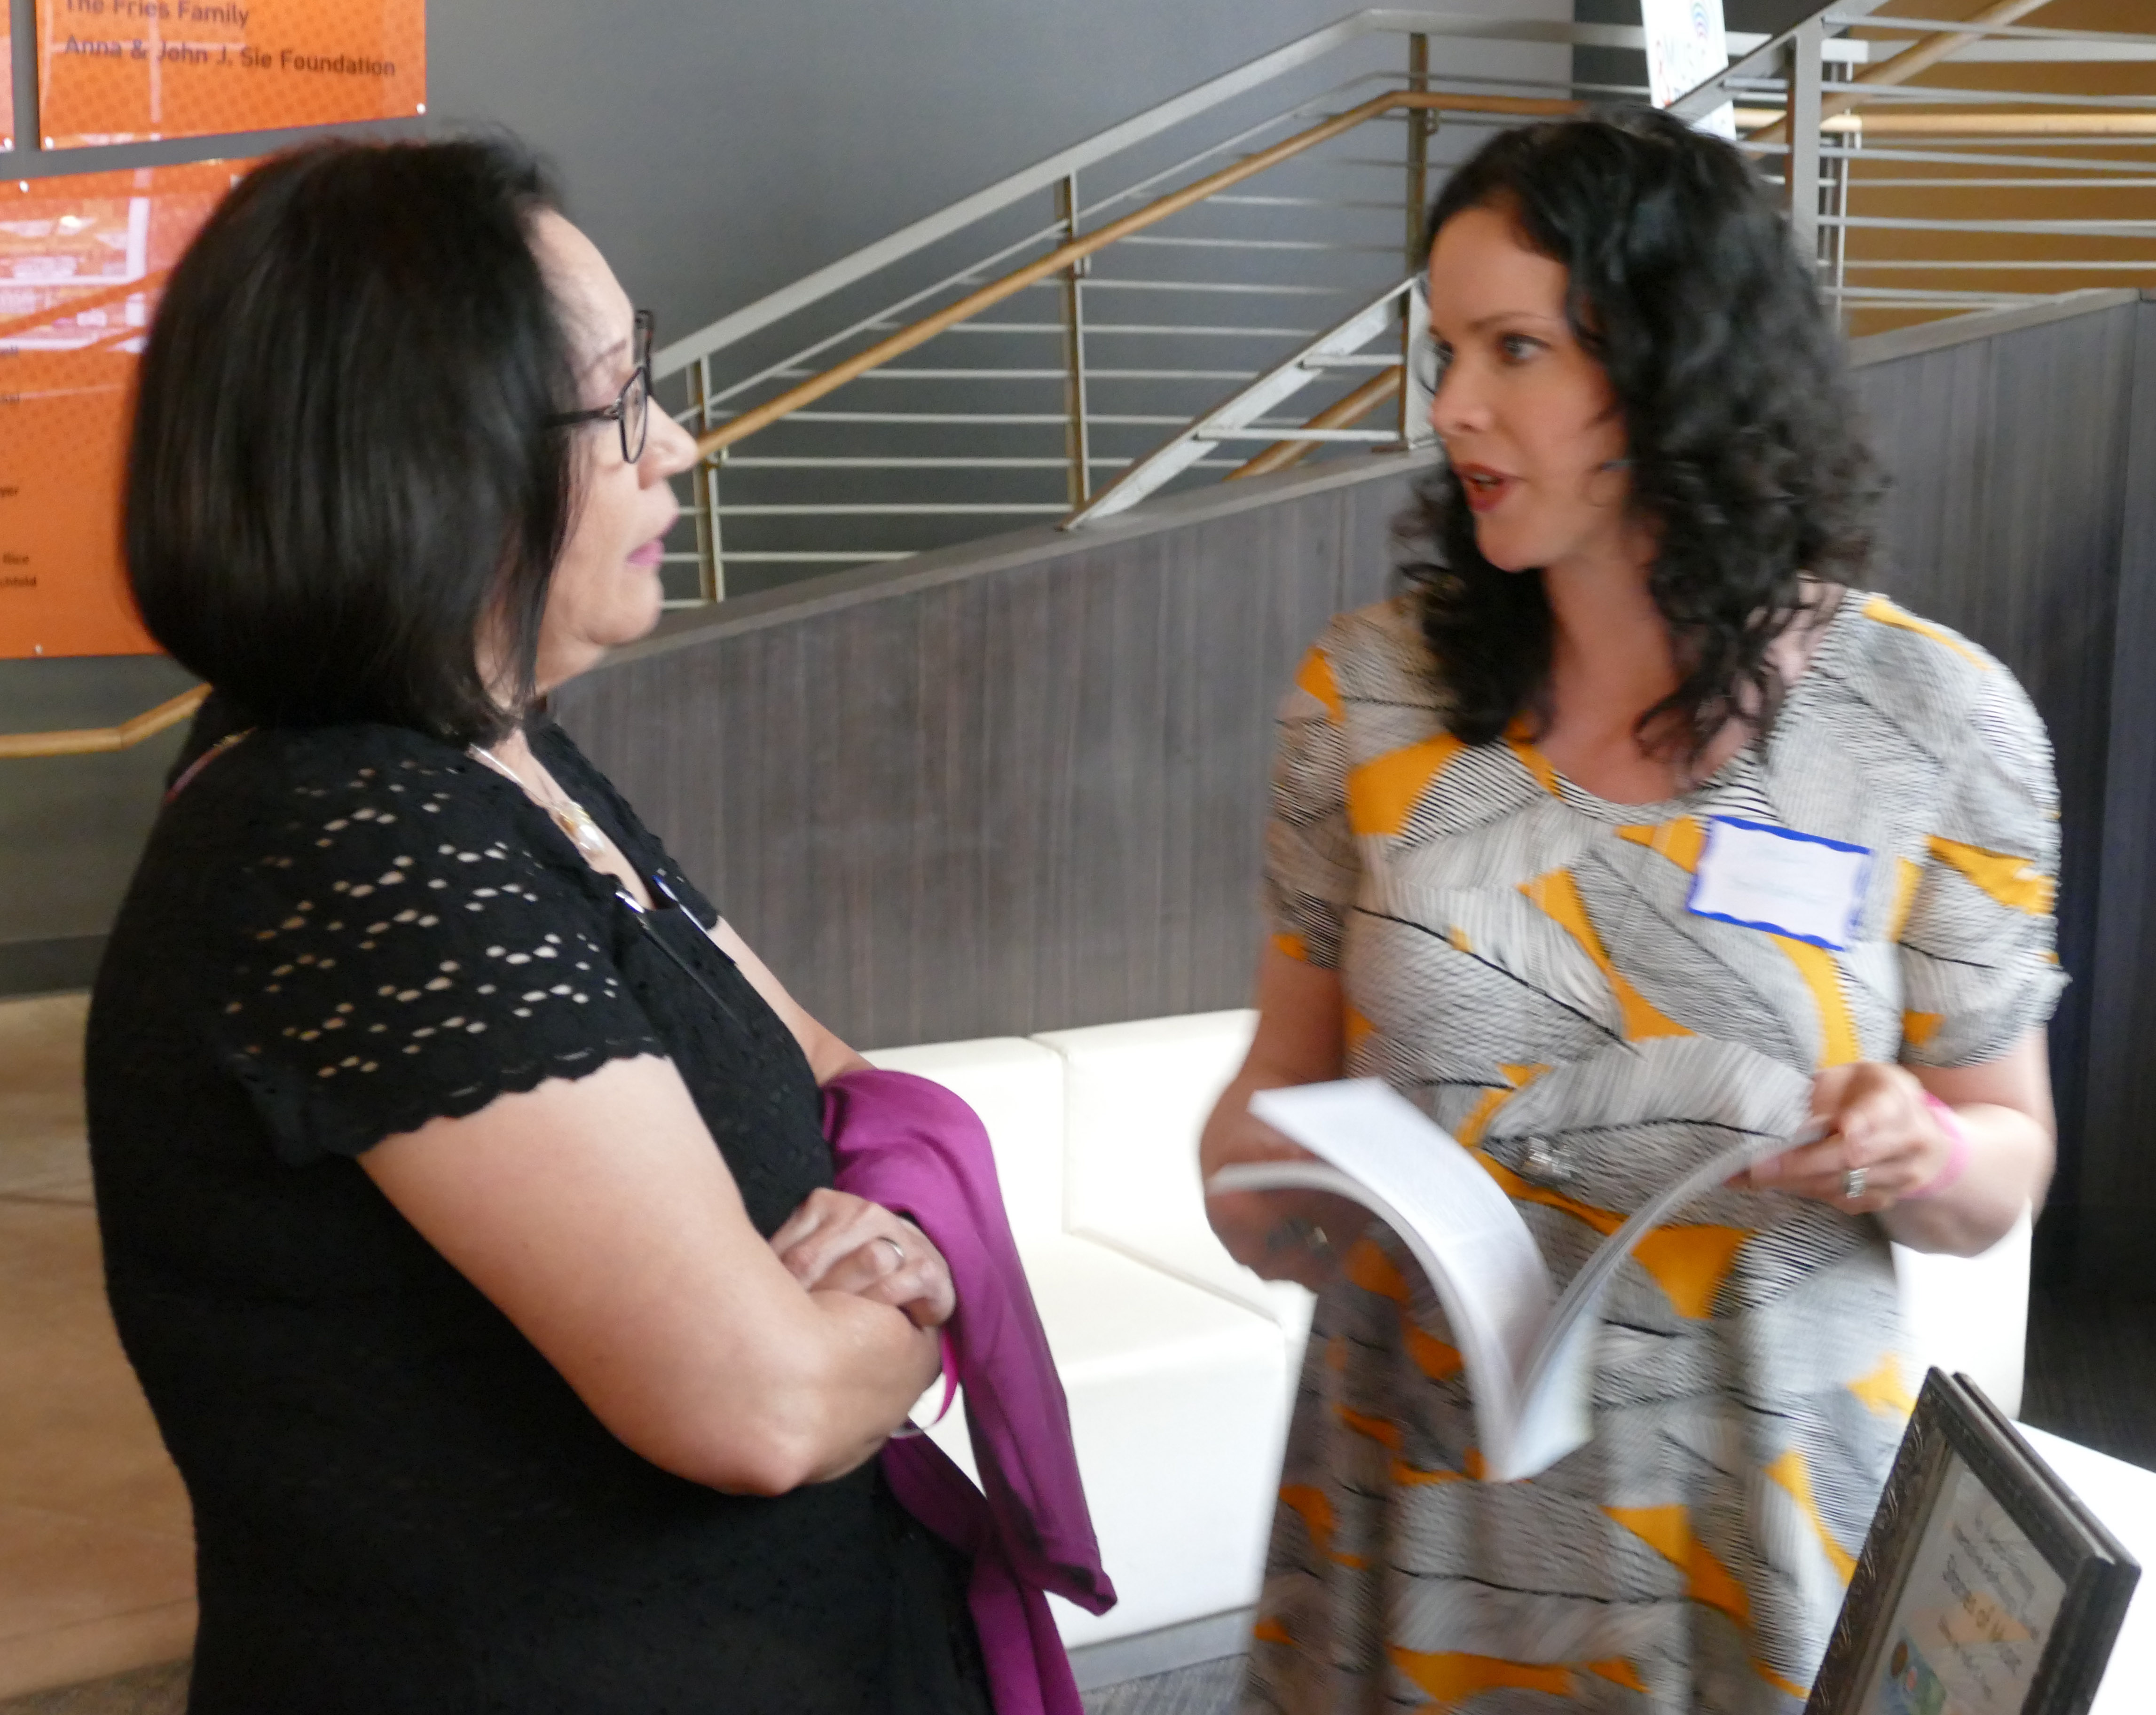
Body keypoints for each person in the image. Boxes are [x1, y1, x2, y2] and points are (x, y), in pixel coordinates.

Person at [88, 138, 996, 1714]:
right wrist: (908, 1310)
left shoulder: (500, 753)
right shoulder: (355, 836)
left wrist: (875, 1256)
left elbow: (824, 1067)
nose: (679, 447)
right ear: (432, 454)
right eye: (615, 403)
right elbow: (763, 1406)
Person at [1202, 109, 2061, 1712]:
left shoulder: (1935, 722)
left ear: (1674, 365)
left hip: (1761, 1519)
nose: (1452, 407)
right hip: (1425, 1510)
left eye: (1513, 348)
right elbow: (1264, 1114)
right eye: (1445, 347)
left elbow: (1997, 1164)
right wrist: (1266, 1177)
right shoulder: (1365, 698)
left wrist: (1913, 1148)